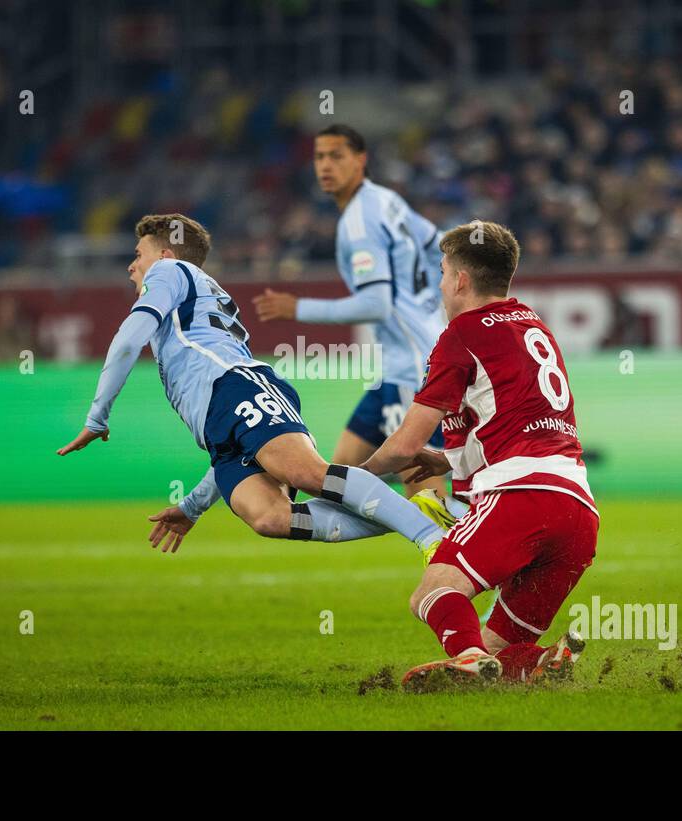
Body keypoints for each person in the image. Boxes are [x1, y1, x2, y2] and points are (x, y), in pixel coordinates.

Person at [56, 214, 446, 559]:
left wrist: (97, 417)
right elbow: (227, 430)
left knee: (308, 474)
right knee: (268, 517)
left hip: (238, 385)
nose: (130, 266)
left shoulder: (169, 272)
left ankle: (430, 536)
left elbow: (128, 339)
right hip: (221, 414)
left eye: (138, 254)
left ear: (164, 256)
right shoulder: (190, 308)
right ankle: (419, 510)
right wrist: (191, 508)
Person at [360, 220, 599, 688]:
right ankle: (545, 660)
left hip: (519, 497)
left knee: (432, 592)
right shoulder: (534, 324)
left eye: (444, 273)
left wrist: (351, 479)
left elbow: (405, 444)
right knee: (495, 652)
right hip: (577, 511)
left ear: (461, 280)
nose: (442, 285)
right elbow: (523, 423)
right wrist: (448, 460)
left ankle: (467, 659)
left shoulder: (461, 335)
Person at [253, 124, 454, 505]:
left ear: (360, 161)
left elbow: (375, 304)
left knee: (422, 490)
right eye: (319, 157)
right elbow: (441, 245)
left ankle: (453, 559)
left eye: (337, 156)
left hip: (412, 371)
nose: (326, 166)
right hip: (400, 366)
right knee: (343, 474)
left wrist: (297, 308)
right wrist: (432, 301)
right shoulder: (386, 200)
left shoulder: (358, 223)